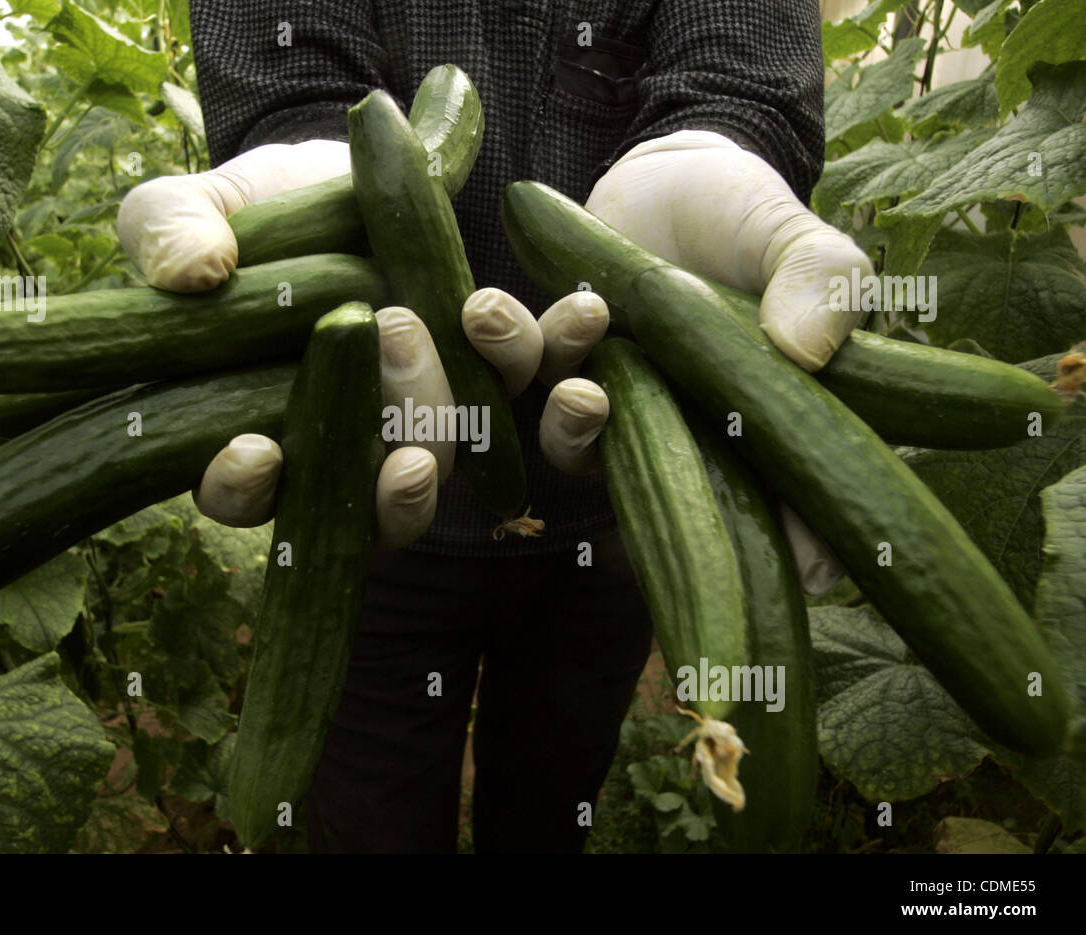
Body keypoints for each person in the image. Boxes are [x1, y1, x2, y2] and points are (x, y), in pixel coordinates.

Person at [116, 0, 869, 853]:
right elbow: (294, 82)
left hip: (616, 493)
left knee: (549, 811)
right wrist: (321, 170)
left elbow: (741, 77)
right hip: (369, 488)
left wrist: (713, 158)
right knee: (368, 824)